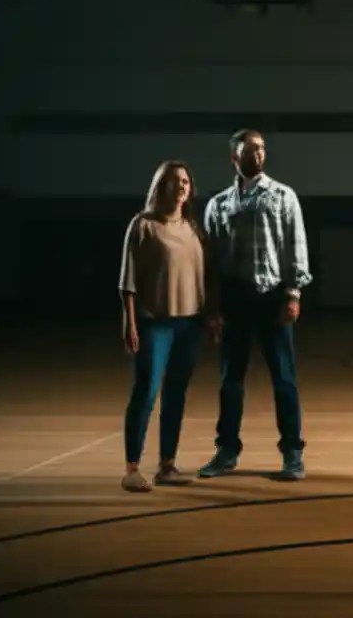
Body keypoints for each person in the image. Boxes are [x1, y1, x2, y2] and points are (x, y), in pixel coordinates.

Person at [199, 128, 312, 480]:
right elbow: (211, 261)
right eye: (251, 150)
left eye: (262, 149)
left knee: (284, 379)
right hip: (235, 299)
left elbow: (296, 245)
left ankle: (292, 453)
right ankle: (226, 451)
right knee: (230, 380)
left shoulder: (282, 195)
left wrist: (293, 293)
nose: (258, 155)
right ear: (235, 156)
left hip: (271, 296)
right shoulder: (218, 204)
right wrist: (213, 308)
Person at [117, 160, 208, 492]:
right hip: (154, 324)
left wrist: (210, 315)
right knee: (145, 393)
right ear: (161, 187)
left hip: (189, 323)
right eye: (174, 181)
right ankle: (131, 468)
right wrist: (130, 321)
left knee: (176, 395)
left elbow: (204, 277)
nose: (182, 186)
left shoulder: (194, 228)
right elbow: (127, 281)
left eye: (186, 180)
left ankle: (167, 464)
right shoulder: (142, 226)